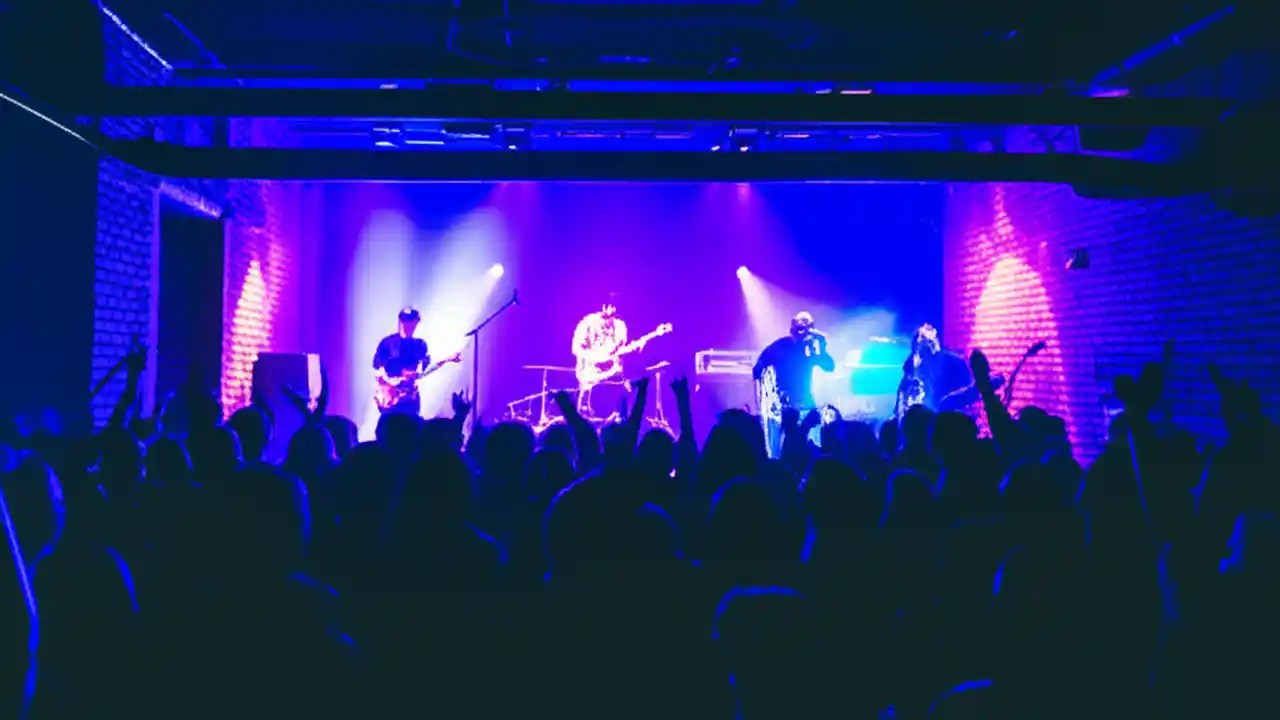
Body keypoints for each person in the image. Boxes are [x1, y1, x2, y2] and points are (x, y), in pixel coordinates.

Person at [753, 312, 835, 458]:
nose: (803, 329)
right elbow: (757, 369)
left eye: (807, 325)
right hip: (782, 403)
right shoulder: (780, 346)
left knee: (812, 439)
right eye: (801, 324)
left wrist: (822, 348)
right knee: (781, 444)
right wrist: (765, 398)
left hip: (805, 400)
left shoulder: (809, 349)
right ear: (793, 326)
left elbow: (829, 366)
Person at [894, 323, 977, 420]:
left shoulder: (953, 361)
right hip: (919, 419)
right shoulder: (912, 363)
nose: (919, 349)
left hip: (948, 421)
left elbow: (967, 393)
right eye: (917, 345)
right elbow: (903, 388)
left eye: (925, 343)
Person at [571, 300, 629, 419]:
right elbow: (576, 348)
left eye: (614, 305)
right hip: (591, 377)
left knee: (621, 404)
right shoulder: (587, 322)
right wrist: (595, 358)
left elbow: (620, 351)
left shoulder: (620, 326)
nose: (611, 308)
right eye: (609, 304)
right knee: (586, 417)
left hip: (613, 378)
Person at [373, 307, 431, 416]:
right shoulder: (387, 343)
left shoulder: (420, 345)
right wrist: (389, 385)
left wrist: (416, 372)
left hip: (410, 398)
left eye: (411, 323)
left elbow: (423, 365)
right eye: (404, 322)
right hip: (390, 399)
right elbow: (377, 368)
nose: (407, 326)